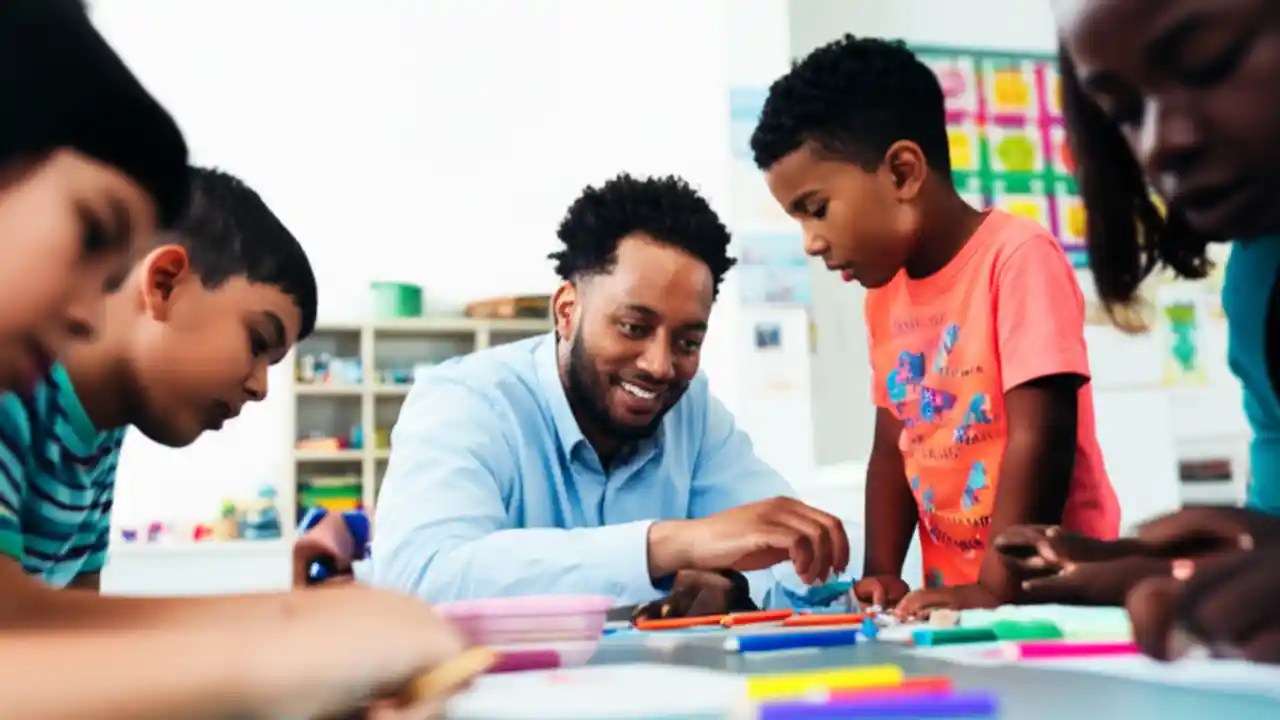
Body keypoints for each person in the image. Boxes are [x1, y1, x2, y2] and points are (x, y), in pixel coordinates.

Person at [0, 3, 469, 717]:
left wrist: (301, 632)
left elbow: (58, 629)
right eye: (93, 234)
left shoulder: (87, 426)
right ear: (163, 282)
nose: (87, 313)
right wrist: (293, 635)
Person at [749, 35, 1120, 618]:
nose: (812, 242)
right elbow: (892, 451)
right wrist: (881, 572)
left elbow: (1041, 436)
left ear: (902, 172)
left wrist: (999, 588)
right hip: (959, 601)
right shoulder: (882, 294)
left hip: (1056, 593)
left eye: (816, 209)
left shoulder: (1018, 257)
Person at [366, 173, 852, 611]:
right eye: (633, 327)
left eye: (688, 342)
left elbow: (793, 561)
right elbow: (420, 578)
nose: (660, 366)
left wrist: (744, 588)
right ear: (566, 311)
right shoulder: (466, 400)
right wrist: (666, 547)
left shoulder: (692, 411)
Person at [996, 0, 1280, 663]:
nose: (1160, 141)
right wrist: (1158, 570)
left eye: (1211, 64)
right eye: (1124, 112)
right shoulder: (1256, 272)